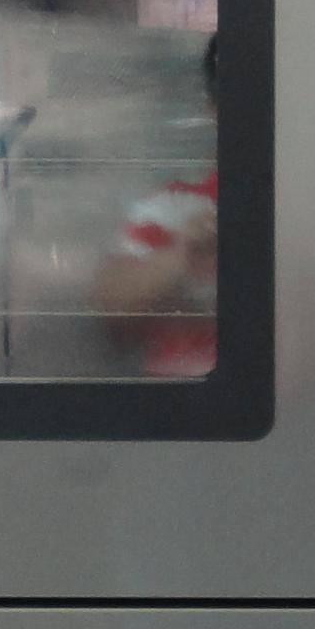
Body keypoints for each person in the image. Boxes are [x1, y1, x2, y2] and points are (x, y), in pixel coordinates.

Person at [88, 43, 218, 378]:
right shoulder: (172, 208)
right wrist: (180, 258)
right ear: (213, 110)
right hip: (192, 405)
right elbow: (110, 308)